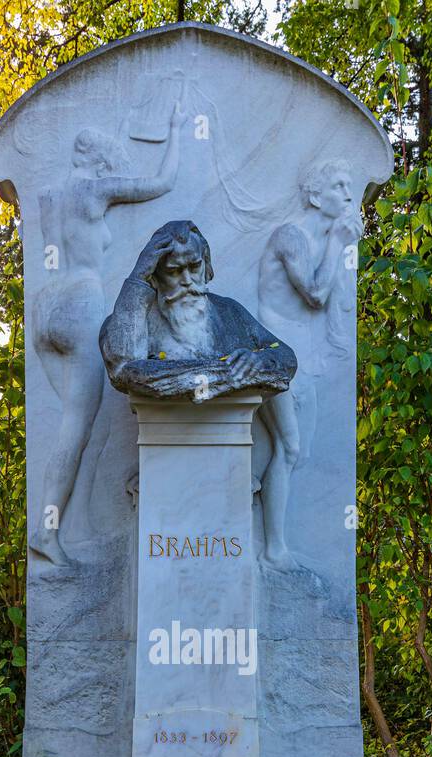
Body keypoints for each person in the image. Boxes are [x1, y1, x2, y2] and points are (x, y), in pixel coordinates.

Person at [31, 106, 185, 566]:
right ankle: (47, 531)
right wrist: (175, 131)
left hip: (46, 308)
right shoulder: (94, 189)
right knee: (77, 426)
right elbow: (163, 182)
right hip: (82, 299)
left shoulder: (48, 194)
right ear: (98, 161)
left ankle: (69, 526)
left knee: (76, 427)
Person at [257, 159, 361, 569]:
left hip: (302, 354)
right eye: (339, 186)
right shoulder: (291, 236)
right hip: (277, 355)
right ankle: (274, 549)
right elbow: (316, 295)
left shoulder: (323, 240)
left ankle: (256, 499)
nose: (350, 196)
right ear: (317, 197)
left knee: (298, 452)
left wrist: (344, 245)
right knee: (290, 444)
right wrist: (339, 243)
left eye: (350, 186)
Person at [99, 219, 297, 401]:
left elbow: (286, 357)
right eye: (173, 271)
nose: (186, 280)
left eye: (194, 267)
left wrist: (258, 361)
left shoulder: (229, 312)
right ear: (155, 275)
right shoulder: (131, 320)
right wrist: (138, 279)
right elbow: (125, 370)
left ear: (206, 264)